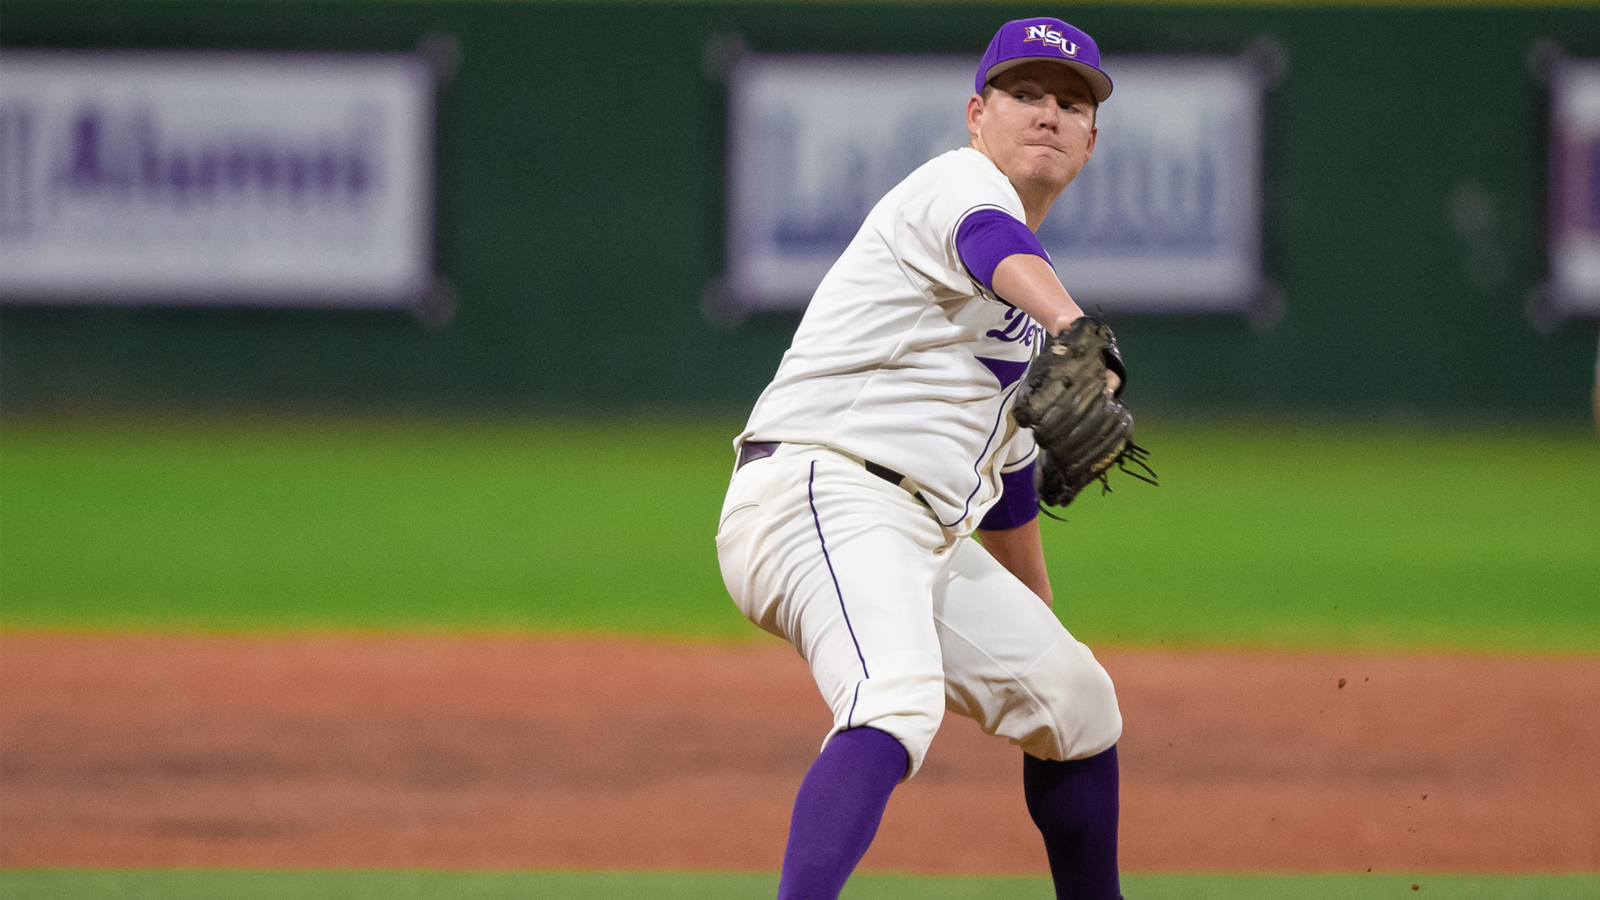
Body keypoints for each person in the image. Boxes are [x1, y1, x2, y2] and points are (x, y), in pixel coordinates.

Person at [716, 17, 1127, 900]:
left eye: (1071, 104)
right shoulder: (956, 185)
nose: (1048, 114)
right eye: (1025, 94)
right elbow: (991, 240)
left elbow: (1008, 484)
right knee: (894, 701)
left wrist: (1039, 619)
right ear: (977, 116)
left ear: (1091, 142)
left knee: (1076, 703)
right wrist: (1071, 325)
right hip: (819, 488)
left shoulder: (1025, 325)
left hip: (920, 535)